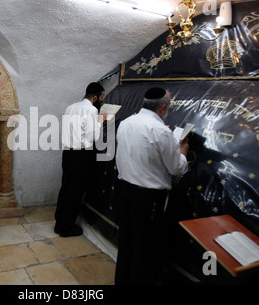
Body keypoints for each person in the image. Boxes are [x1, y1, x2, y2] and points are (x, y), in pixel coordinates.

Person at [114, 87, 189, 285]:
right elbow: (176, 168)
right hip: (148, 199)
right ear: (163, 108)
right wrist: (182, 152)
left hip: (125, 192)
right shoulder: (161, 131)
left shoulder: (126, 122)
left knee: (127, 243)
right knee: (145, 248)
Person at [54, 82, 107, 237]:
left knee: (66, 187)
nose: (102, 100)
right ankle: (66, 228)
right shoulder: (91, 110)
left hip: (68, 152)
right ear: (96, 97)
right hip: (82, 154)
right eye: (102, 97)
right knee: (75, 190)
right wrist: (100, 122)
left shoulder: (71, 107)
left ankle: (60, 220)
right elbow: (92, 136)